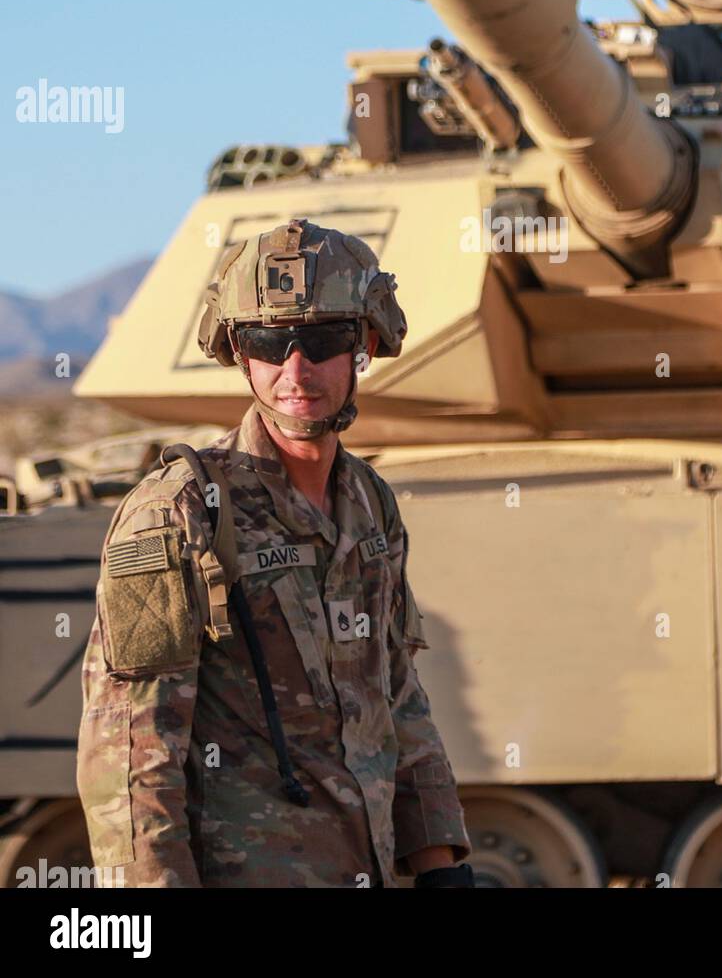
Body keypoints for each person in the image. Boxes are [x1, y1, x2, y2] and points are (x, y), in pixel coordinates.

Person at [77, 218, 473, 888]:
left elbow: (398, 698)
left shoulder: (369, 501)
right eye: (268, 341)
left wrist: (438, 859)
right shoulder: (178, 511)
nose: (295, 370)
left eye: (320, 341)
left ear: (365, 343)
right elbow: (130, 750)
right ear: (239, 350)